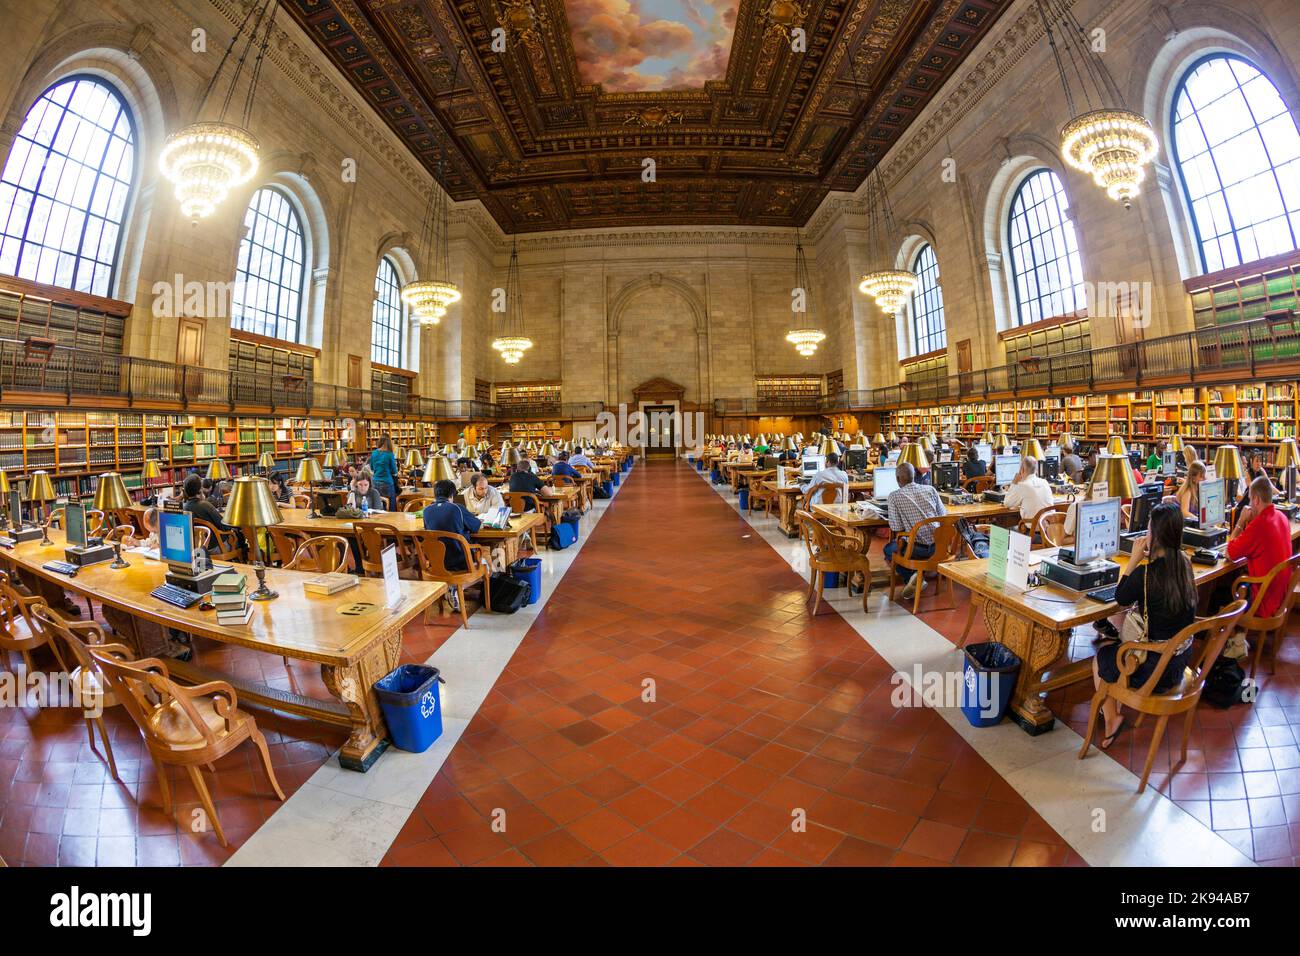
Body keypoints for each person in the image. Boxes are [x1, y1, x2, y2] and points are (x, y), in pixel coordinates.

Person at [1091, 502, 1198, 751]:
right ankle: (1115, 702)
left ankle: (1112, 719)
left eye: (1149, 529)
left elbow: (1120, 597)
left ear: (1156, 535)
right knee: (1117, 639)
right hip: (1180, 661)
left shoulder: (1145, 575)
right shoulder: (1185, 563)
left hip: (1154, 672)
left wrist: (1134, 561)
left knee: (1102, 655)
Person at [1225, 474, 1292, 618]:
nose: (1249, 502)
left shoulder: (1259, 525)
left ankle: (1234, 638)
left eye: (1250, 499)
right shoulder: (1282, 517)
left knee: (1219, 594)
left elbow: (1229, 554)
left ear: (1256, 499)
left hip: (1262, 601)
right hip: (1279, 597)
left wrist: (1240, 523)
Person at [884, 461, 947, 600]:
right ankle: (917, 576)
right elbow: (943, 516)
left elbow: (896, 528)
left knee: (888, 549)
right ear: (914, 476)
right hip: (938, 547)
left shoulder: (894, 496)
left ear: (898, 479)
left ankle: (912, 577)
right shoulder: (930, 490)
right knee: (899, 545)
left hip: (916, 550)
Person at [422, 479, 481, 575]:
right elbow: (476, 527)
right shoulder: (457, 508)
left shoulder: (426, 511)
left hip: (436, 562)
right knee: (486, 551)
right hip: (461, 562)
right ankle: (487, 586)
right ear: (452, 495)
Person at [1004, 456, 1055, 523]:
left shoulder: (1023, 485)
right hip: (1049, 529)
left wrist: (1014, 482)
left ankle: (997, 534)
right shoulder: (1045, 482)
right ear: (1036, 469)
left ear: (1022, 470)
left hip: (1032, 530)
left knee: (998, 531)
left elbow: (1007, 503)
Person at [369, 434, 400, 510]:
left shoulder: (374, 453)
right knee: (391, 505)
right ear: (389, 442)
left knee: (377, 504)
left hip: (375, 482)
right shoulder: (389, 454)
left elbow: (372, 467)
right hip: (387, 482)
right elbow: (394, 471)